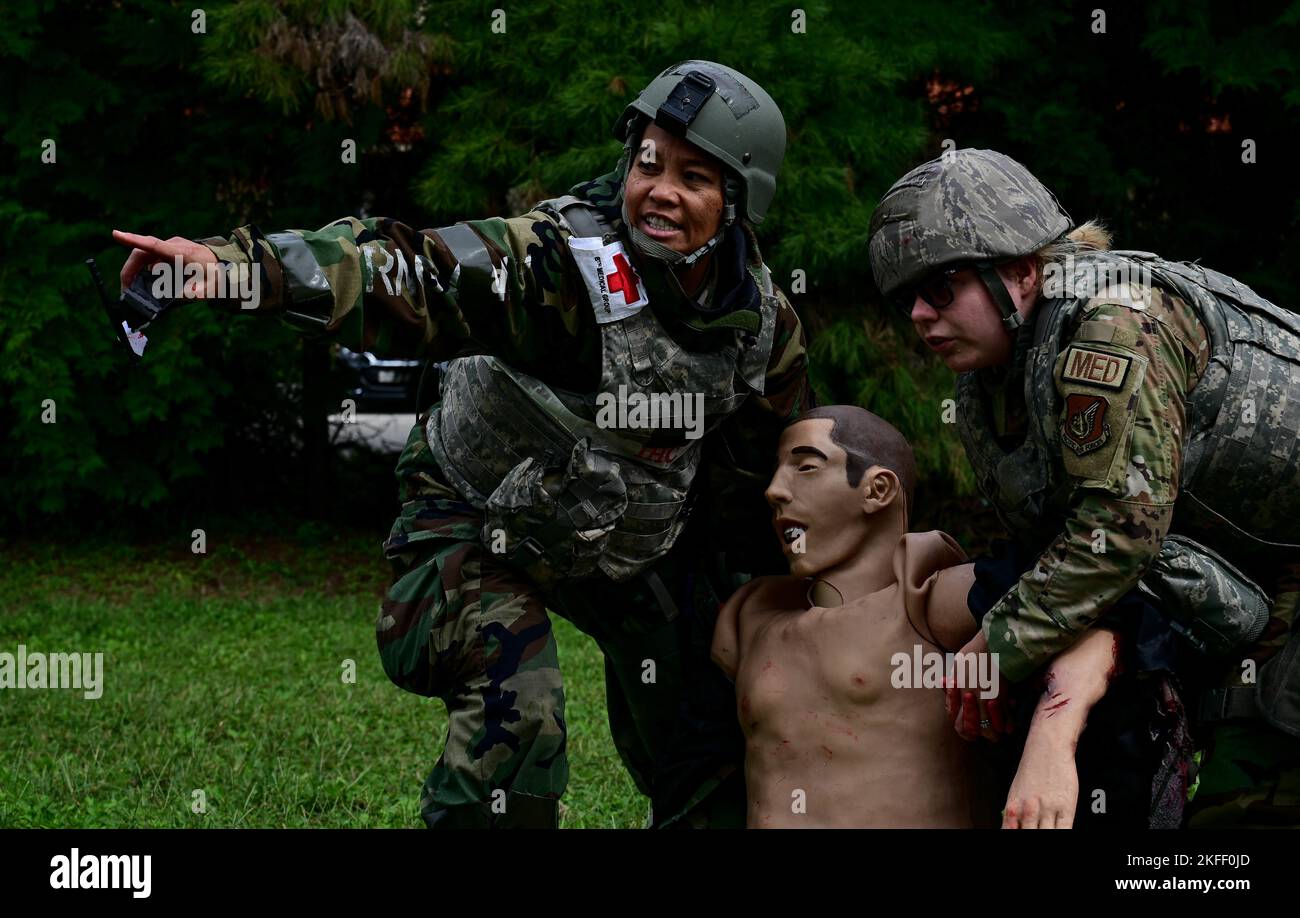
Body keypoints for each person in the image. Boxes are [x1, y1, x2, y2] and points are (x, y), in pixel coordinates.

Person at [113, 60, 810, 828]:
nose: (661, 191)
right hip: (469, 519)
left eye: (695, 178)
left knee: (714, 720)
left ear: (740, 202)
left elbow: (753, 492)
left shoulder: (760, 331)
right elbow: (406, 268)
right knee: (520, 706)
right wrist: (234, 266)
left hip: (618, 543)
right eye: (648, 163)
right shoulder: (556, 263)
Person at [867, 148, 1300, 827]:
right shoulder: (994, 379)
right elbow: (1068, 549)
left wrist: (999, 645)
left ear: (1018, 270)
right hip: (1250, 579)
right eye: (907, 299)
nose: (920, 314)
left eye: (941, 286)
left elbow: (1117, 533)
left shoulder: (1114, 321)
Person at [712, 405, 1122, 828]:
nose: (774, 490)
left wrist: (1053, 734)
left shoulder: (929, 600)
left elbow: (1101, 600)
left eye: (806, 467)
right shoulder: (750, 618)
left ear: (878, 490)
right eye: (777, 470)